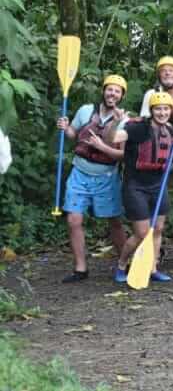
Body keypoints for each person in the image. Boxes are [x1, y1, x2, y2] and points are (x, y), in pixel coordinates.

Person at [56, 75, 129, 283]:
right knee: (73, 220)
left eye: (117, 91)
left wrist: (102, 147)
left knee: (114, 221)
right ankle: (80, 268)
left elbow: (123, 155)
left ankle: (125, 262)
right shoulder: (86, 110)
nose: (112, 94)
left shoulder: (124, 121)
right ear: (103, 91)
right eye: (109, 89)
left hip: (107, 176)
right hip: (79, 173)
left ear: (122, 96)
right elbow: (73, 134)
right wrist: (65, 126)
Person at [104, 92, 173, 283]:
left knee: (158, 229)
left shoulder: (170, 130)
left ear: (170, 111)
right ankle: (121, 265)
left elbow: (171, 163)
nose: (162, 113)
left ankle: (152, 268)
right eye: (158, 109)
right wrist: (114, 122)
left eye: (166, 109)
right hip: (135, 186)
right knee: (142, 233)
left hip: (158, 185)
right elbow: (112, 138)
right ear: (151, 110)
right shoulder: (138, 128)